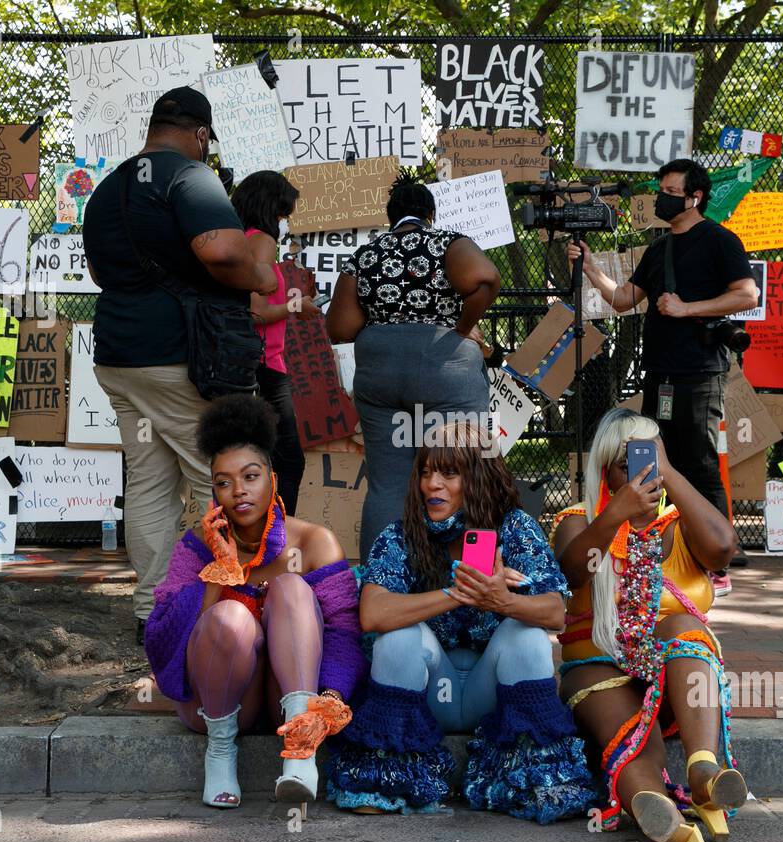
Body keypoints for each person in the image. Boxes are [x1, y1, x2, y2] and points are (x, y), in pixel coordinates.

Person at [82, 87, 277, 643]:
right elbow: (220, 250)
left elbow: (100, 274)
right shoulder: (190, 178)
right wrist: (264, 278)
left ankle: (152, 610)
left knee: (147, 483)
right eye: (206, 143)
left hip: (121, 357)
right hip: (185, 360)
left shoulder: (107, 189)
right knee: (214, 477)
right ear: (199, 135)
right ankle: (229, 603)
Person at [326, 422, 595, 822]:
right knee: (396, 636)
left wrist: (502, 600)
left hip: (492, 695)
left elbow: (555, 612)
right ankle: (388, 780)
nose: (432, 484)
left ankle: (533, 779)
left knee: (527, 635)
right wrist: (457, 593)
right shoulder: (401, 536)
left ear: (477, 477)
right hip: (431, 693)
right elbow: (374, 613)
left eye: (449, 473)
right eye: (426, 472)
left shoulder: (516, 529)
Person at [143, 394, 366, 808]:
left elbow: (344, 630)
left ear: (273, 480)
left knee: (291, 588)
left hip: (291, 696)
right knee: (230, 614)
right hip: (220, 705)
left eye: (250, 476)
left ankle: (301, 748)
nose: (238, 492)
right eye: (223, 482)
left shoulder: (313, 542)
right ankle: (222, 755)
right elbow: (160, 637)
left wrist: (330, 699)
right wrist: (221, 572)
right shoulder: (196, 547)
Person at [552, 408, 745, 842]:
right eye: (627, 464)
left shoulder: (679, 523)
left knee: (684, 627)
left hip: (670, 674)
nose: (641, 473)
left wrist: (673, 473)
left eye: (649, 460)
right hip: (597, 665)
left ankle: (704, 771)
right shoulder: (578, 520)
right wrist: (615, 515)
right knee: (634, 741)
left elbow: (722, 549)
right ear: (604, 472)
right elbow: (573, 569)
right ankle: (661, 815)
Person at [570, 159, 757, 598]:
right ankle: (663, 549)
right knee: (652, 459)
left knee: (699, 462)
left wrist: (687, 309)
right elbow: (622, 299)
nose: (661, 197)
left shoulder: (720, 241)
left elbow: (747, 293)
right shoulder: (658, 249)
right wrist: (591, 268)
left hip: (699, 371)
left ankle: (717, 561)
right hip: (659, 371)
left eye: (671, 190)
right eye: (661, 189)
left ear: (694, 198)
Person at [326, 172, 500, 562]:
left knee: (387, 487)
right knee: (469, 473)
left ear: (391, 218)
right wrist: (461, 329)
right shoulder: (446, 242)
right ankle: (476, 576)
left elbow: (339, 328)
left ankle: (380, 587)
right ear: (431, 214)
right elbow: (484, 277)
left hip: (380, 376)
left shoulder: (365, 255)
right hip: (445, 370)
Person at [230, 170, 316, 514]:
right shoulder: (261, 241)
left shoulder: (245, 239)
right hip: (266, 365)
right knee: (289, 461)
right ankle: (279, 539)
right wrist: (298, 306)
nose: (285, 223)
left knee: (271, 459)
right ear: (270, 209)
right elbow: (258, 311)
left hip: (264, 363)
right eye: (283, 214)